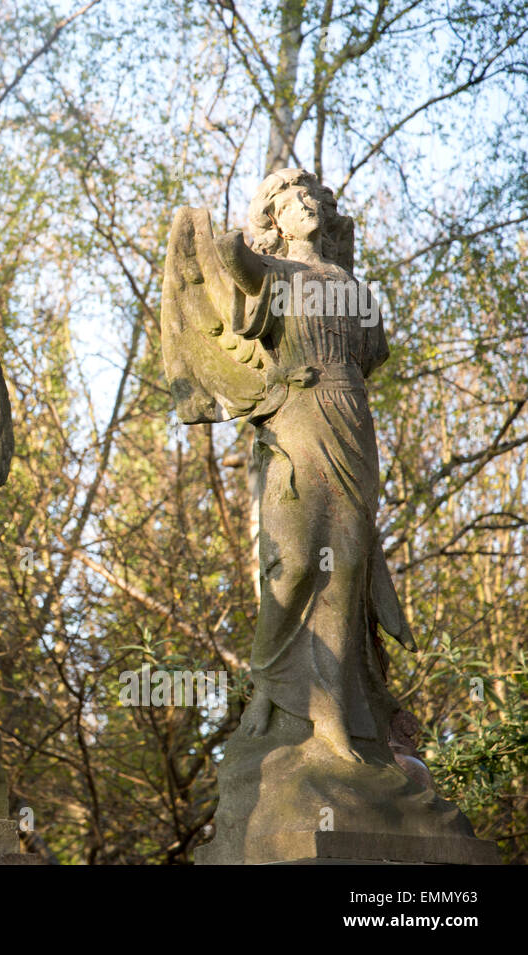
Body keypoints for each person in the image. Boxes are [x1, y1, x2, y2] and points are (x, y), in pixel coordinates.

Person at [214, 168, 408, 762]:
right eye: (290, 200)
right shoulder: (271, 274)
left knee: (345, 568)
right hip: (297, 418)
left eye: (310, 196)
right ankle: (271, 691)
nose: (305, 204)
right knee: (296, 561)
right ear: (273, 218)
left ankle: (333, 715)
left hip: (351, 423)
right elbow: (232, 260)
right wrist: (222, 239)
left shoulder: (353, 289)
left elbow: (372, 353)